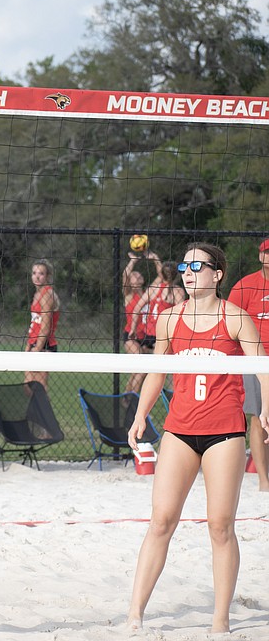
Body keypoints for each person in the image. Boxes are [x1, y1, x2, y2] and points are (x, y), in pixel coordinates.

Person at [126, 243, 269, 635]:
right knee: (161, 522)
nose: (187, 272)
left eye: (197, 266)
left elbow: (262, 369)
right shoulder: (170, 320)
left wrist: (267, 408)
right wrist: (140, 414)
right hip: (179, 431)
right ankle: (135, 614)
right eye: (184, 266)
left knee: (220, 526)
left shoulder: (235, 318)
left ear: (217, 274)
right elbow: (157, 371)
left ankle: (220, 621)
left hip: (224, 432)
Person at [226, 237, 269, 492]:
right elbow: (231, 321)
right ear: (260, 256)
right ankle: (264, 480)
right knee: (258, 418)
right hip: (254, 360)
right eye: (266, 252)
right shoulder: (245, 287)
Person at [24, 259, 60, 391]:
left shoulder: (47, 295)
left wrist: (37, 348)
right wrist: (29, 345)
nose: (37, 276)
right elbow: (35, 323)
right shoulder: (37, 294)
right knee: (28, 387)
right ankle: (36, 412)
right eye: (34, 273)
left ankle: (44, 412)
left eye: (41, 273)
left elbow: (45, 326)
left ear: (48, 276)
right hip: (34, 342)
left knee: (39, 388)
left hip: (45, 344)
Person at [122, 253, 151, 393]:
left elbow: (162, 279)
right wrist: (132, 262)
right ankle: (132, 398)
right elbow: (124, 276)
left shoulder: (147, 294)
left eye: (139, 275)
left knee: (139, 371)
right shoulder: (128, 295)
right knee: (140, 366)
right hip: (131, 336)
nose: (136, 276)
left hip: (146, 336)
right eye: (133, 275)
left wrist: (156, 260)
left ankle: (129, 394)